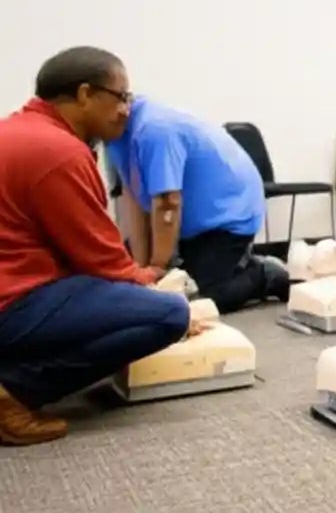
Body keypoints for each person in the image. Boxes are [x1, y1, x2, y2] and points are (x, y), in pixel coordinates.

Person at [0, 47, 196, 445]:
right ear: (86, 94)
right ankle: (13, 391)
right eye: (121, 96)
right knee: (168, 315)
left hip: (15, 291)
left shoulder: (15, 131)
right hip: (12, 305)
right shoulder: (59, 152)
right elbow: (102, 261)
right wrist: (149, 285)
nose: (127, 108)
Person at [105, 95, 290, 314]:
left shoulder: (155, 130)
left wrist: (157, 268)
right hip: (188, 218)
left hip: (228, 214)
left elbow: (167, 203)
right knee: (134, 283)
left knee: (204, 297)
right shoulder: (114, 134)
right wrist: (141, 271)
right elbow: (133, 197)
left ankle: (263, 274)